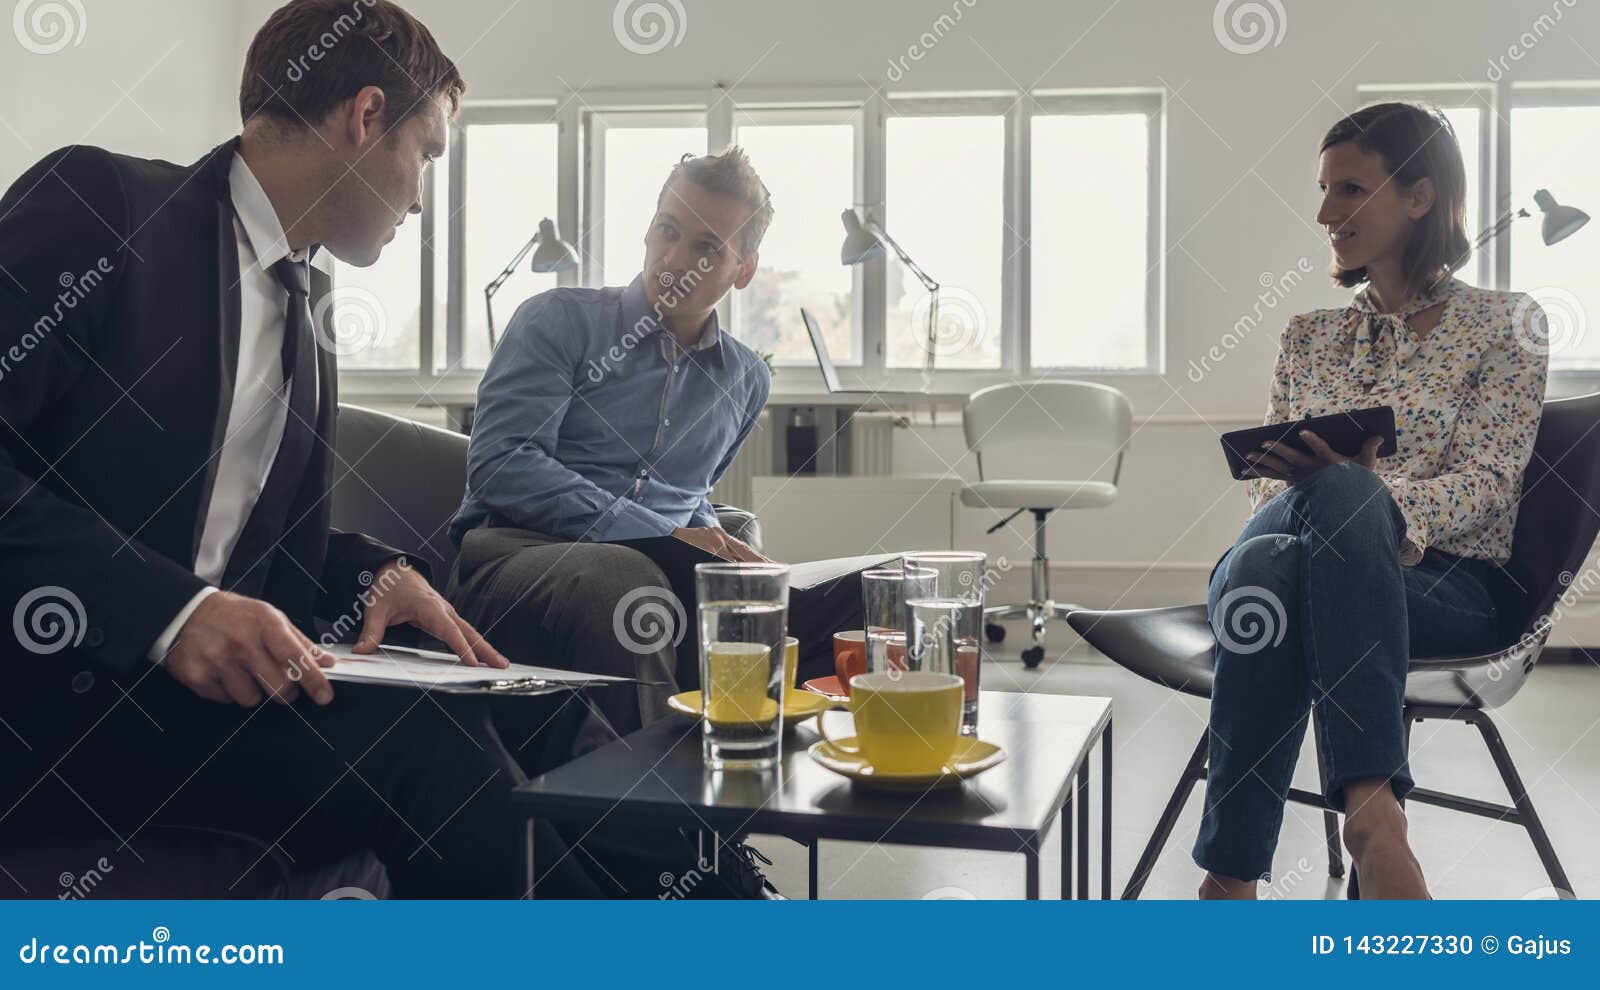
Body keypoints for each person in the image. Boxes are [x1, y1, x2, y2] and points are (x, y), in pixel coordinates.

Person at [0, 0, 707, 899]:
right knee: (423, 745)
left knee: (549, 709)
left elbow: (244, 553)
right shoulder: (105, 206)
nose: (421, 194)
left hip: (195, 716)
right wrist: (173, 613)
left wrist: (375, 575)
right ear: (365, 116)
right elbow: (179, 573)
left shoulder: (307, 316)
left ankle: (723, 926)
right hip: (59, 703)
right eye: (427, 154)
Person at [1198, 101, 1548, 900]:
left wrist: (1369, 499)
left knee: (1276, 568)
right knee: (1281, 543)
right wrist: (1333, 492)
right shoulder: (1306, 335)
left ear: (1420, 196)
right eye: (1323, 190)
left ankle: (1227, 879)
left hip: (1441, 587)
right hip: (1279, 543)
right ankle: (1372, 813)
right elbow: (1262, 489)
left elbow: (1492, 478)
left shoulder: (1507, 324)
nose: (1325, 213)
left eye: (1349, 189)